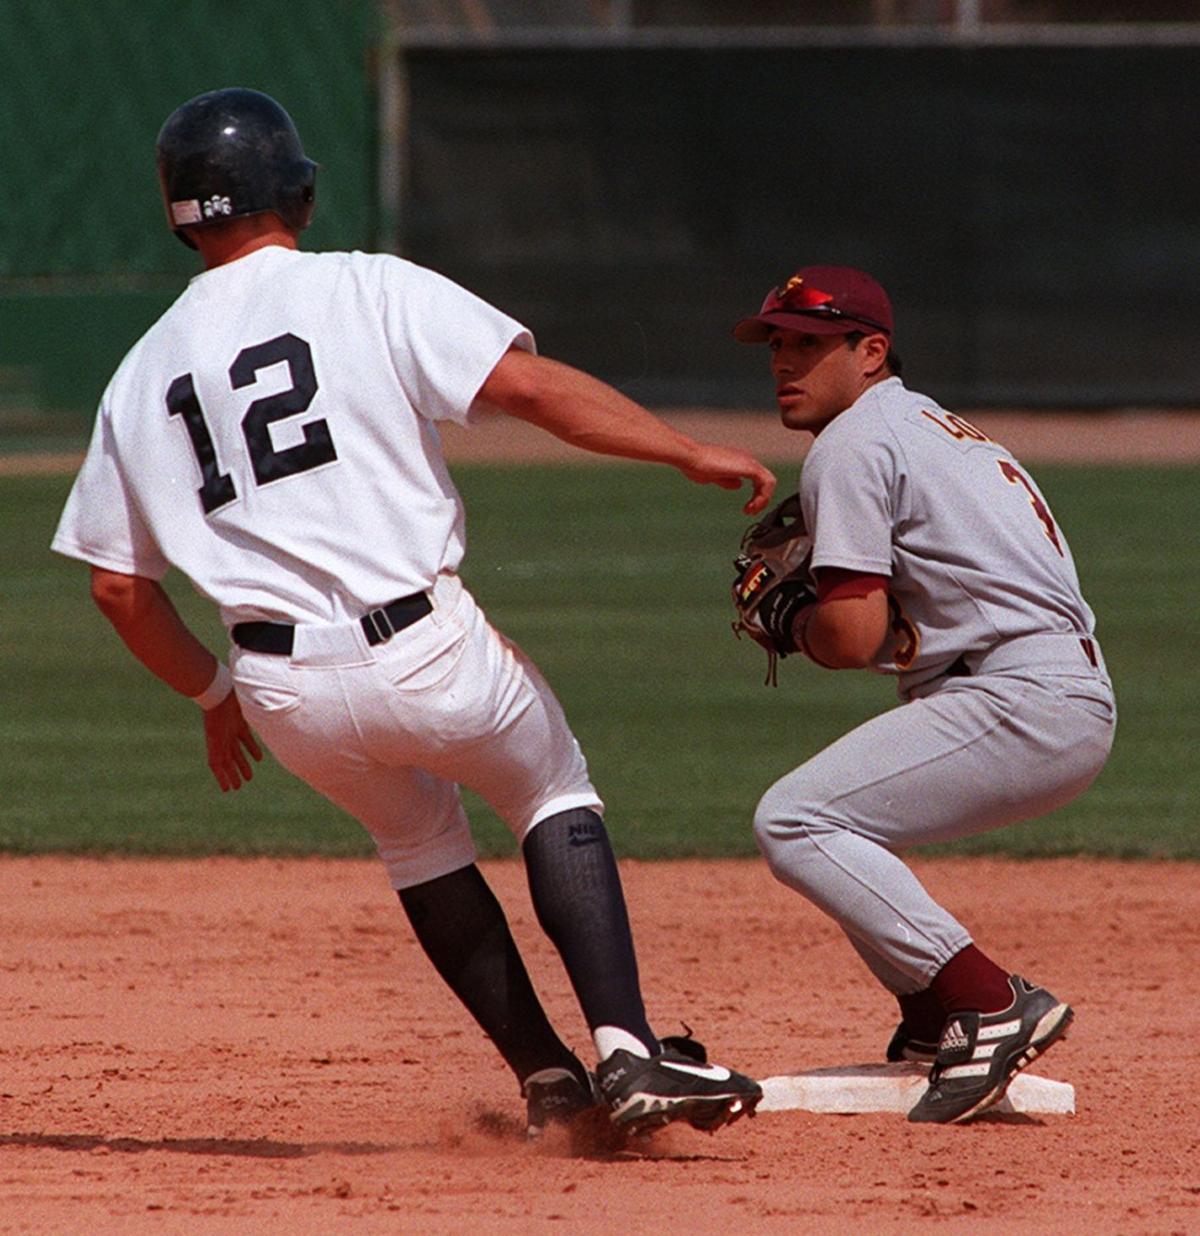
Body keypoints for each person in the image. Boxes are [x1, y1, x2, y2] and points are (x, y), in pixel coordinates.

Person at [51, 87, 774, 1141]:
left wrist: (214, 694)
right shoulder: (365, 287)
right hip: (425, 647)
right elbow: (524, 390)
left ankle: (551, 1082)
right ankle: (628, 1050)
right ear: (295, 192)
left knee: (418, 844)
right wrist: (685, 449)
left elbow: (118, 587)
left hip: (283, 692)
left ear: (180, 214)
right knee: (548, 786)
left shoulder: (140, 372)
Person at [731, 265, 1115, 1124]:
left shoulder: (853, 444)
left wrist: (794, 622)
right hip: (1047, 688)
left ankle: (985, 1002)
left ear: (870, 352)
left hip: (1018, 697)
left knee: (798, 820)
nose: (784, 362)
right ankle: (933, 1014)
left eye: (810, 343)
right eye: (778, 343)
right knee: (848, 822)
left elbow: (854, 640)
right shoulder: (936, 426)